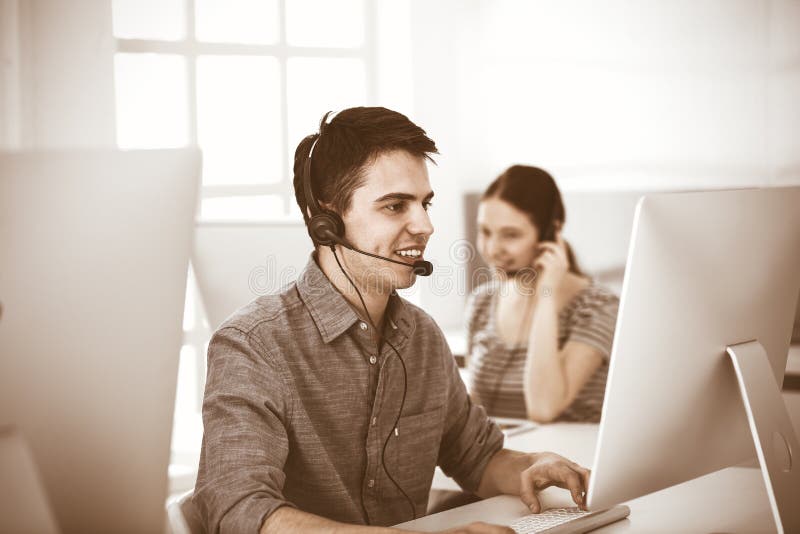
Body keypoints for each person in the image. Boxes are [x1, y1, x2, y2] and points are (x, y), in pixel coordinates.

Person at [192, 108, 591, 534]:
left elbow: (475, 457)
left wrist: (530, 465)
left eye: (425, 204)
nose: (425, 226)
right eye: (395, 206)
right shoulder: (253, 345)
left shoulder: (422, 338)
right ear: (327, 220)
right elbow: (236, 512)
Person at [466, 165, 619, 423]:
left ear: (550, 232)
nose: (492, 249)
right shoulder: (482, 302)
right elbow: (476, 415)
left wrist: (546, 294)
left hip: (571, 459)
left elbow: (543, 408)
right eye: (485, 232)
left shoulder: (597, 306)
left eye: (510, 235)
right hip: (508, 460)